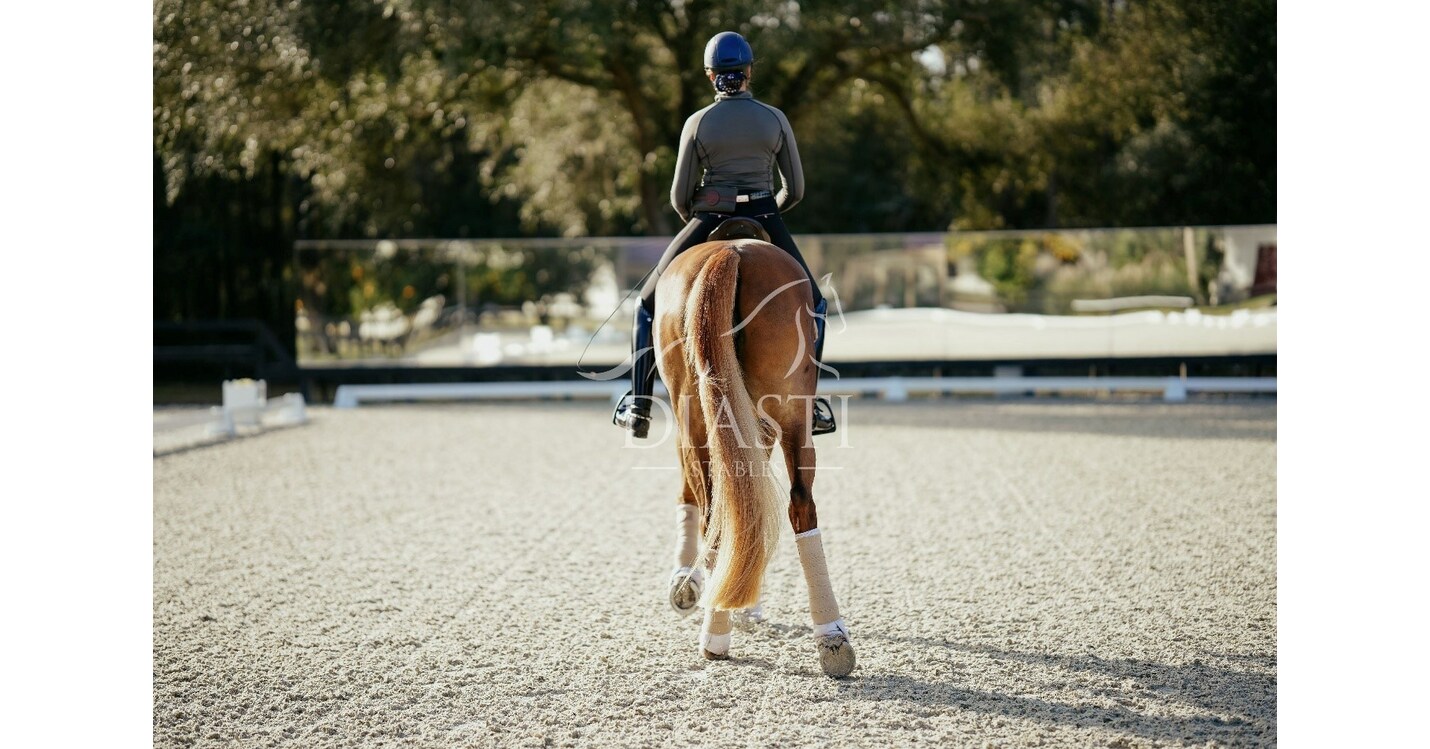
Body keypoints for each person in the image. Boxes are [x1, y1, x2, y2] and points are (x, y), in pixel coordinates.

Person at [612, 31, 836, 439]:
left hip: (708, 216)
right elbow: (797, 190)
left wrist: (700, 219)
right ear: (749, 72)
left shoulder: (698, 122)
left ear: (710, 75)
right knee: (815, 304)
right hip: (766, 213)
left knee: (645, 305)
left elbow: (679, 196)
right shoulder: (775, 118)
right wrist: (769, 211)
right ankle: (811, 405)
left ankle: (639, 407)